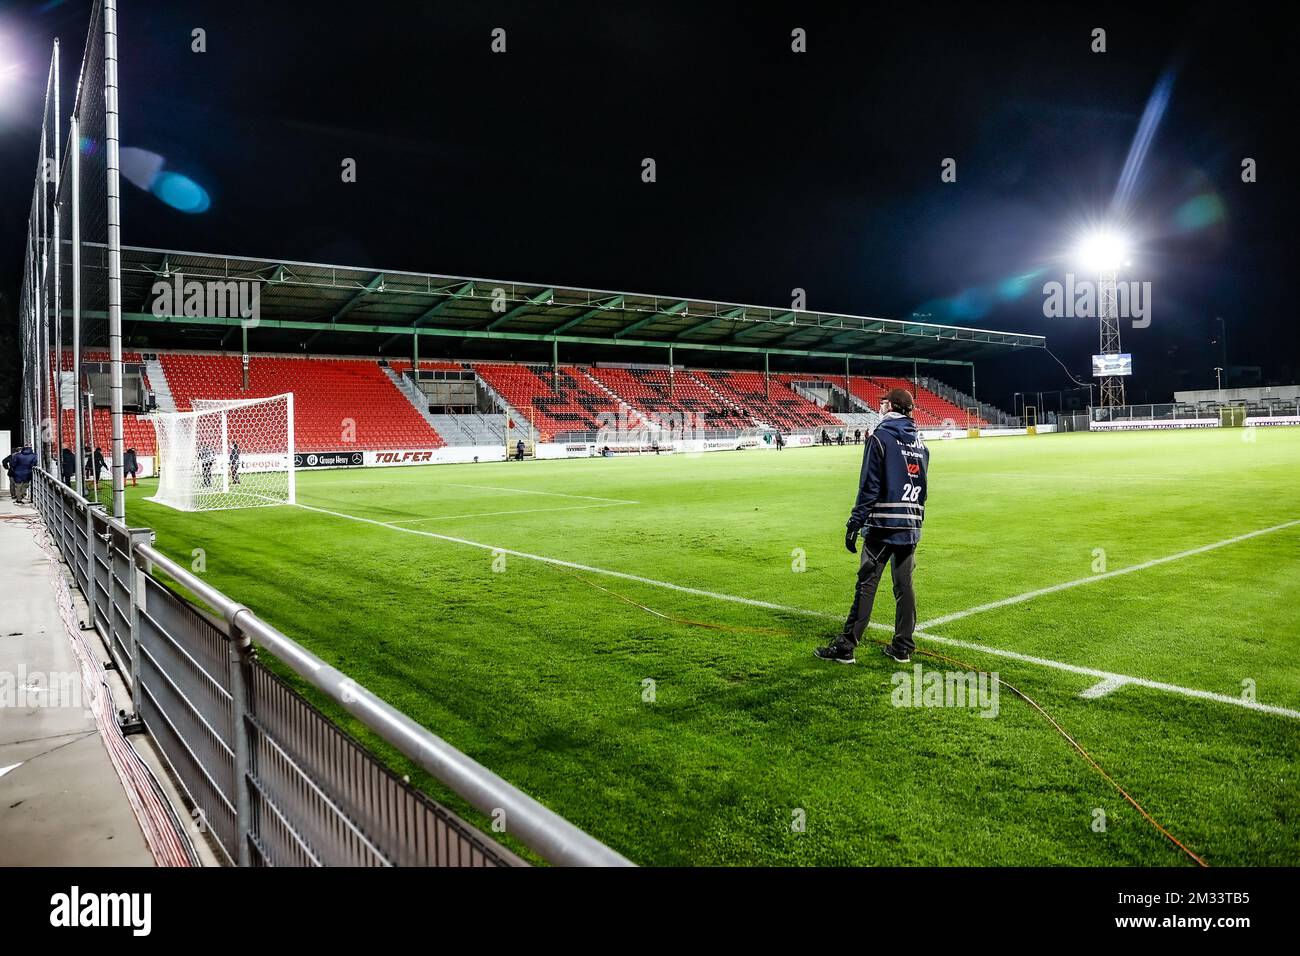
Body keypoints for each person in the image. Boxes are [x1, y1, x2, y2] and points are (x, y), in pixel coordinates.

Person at [816, 388, 929, 665]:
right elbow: (923, 487)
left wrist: (855, 523)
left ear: (892, 406)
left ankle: (846, 646)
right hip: (911, 523)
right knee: (905, 586)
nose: (879, 406)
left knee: (867, 583)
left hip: (883, 524)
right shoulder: (921, 443)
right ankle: (902, 646)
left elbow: (869, 486)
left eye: (883, 402)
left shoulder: (880, 438)